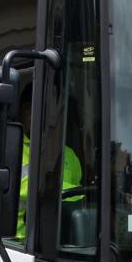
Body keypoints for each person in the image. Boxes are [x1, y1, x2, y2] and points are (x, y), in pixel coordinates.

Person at [16, 87, 83, 240]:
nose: (35, 116)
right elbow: (36, 188)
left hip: (63, 240)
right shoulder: (12, 148)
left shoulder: (70, 154)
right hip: (20, 242)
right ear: (23, 113)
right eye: (29, 110)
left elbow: (79, 200)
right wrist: (81, 194)